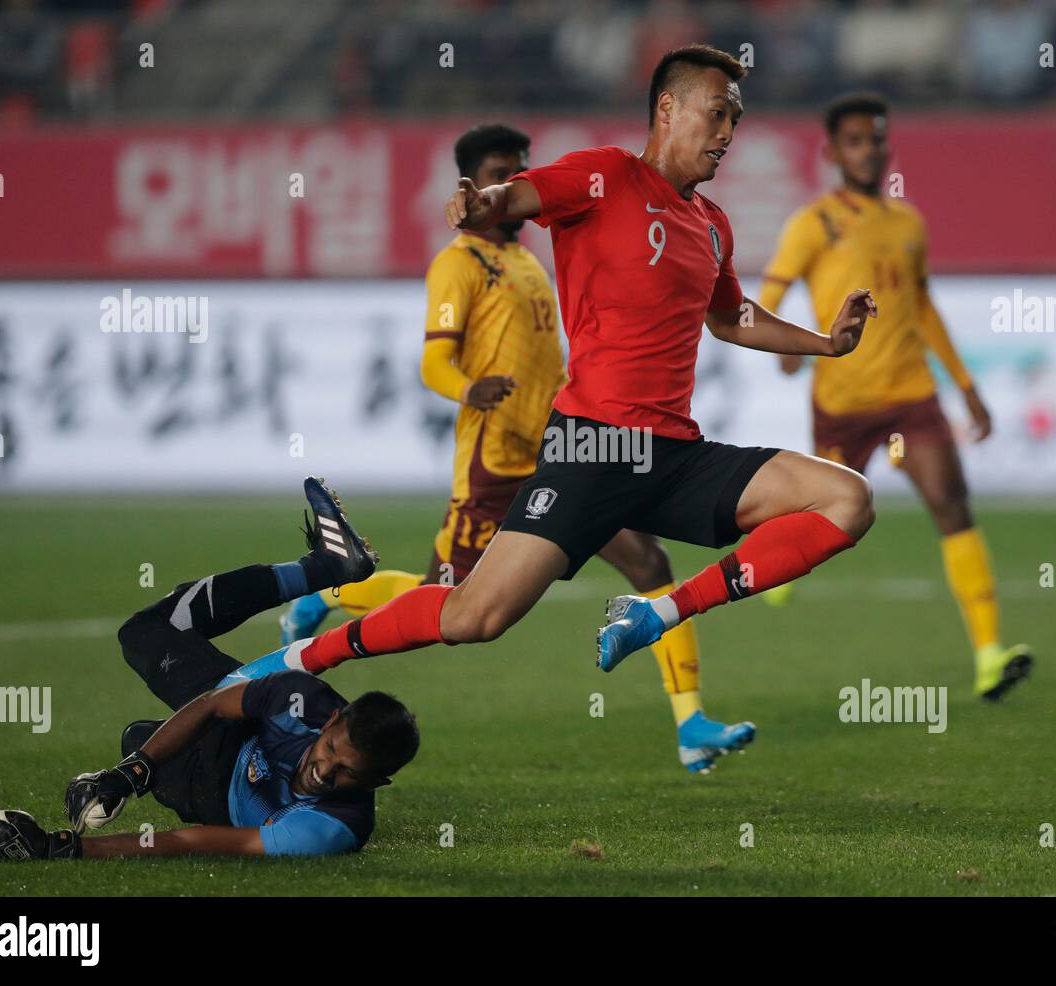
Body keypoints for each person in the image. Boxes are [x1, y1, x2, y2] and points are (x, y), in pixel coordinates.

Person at [236, 44, 877, 721]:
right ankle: (298, 659)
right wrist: (478, 205)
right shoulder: (605, 176)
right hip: (592, 447)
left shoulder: (711, 224)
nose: (727, 135)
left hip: (672, 455)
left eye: (735, 122)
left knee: (847, 499)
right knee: (473, 616)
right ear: (668, 108)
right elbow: (514, 195)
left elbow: (730, 317)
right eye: (717, 115)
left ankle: (658, 613)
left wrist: (825, 343)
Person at [281, 123, 754, 773]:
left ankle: (690, 722)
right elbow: (433, 362)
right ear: (474, 184)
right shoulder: (458, 264)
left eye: (521, 169)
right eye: (501, 174)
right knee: (445, 597)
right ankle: (327, 598)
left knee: (649, 563)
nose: (516, 184)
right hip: (496, 462)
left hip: (568, 452)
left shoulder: (530, 258)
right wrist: (469, 389)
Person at [0, 478, 419, 861]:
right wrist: (132, 774)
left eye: (346, 772)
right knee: (144, 635)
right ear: (331, 721)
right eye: (331, 749)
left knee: (139, 736)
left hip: (213, 795)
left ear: (377, 782)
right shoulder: (303, 701)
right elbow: (215, 703)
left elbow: (191, 842)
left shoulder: (330, 829)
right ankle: (323, 569)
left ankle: (325, 568)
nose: (323, 770)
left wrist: (60, 847)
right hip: (236, 732)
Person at [759, 91, 1032, 699]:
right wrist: (788, 345)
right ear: (832, 153)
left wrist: (967, 387)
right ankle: (777, 567)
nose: (868, 150)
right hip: (843, 404)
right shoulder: (813, 224)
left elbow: (923, 308)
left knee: (951, 505)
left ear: (887, 147)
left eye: (876, 139)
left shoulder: (909, 224)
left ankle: (989, 654)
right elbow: (769, 296)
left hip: (911, 397)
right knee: (819, 519)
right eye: (854, 141)